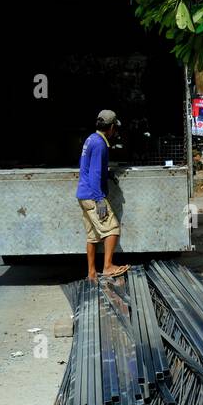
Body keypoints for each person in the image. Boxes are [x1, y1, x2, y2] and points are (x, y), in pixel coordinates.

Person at [76, 109, 128, 280]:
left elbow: (88, 166)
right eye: (115, 127)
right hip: (93, 196)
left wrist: (107, 173)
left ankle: (91, 273)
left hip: (83, 194)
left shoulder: (91, 138)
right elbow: (95, 173)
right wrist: (99, 199)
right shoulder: (100, 144)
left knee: (92, 236)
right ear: (111, 127)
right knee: (112, 229)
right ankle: (108, 267)